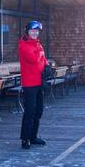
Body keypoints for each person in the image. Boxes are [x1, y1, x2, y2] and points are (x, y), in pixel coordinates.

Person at [18, 20, 50, 149]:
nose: (35, 33)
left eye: (37, 31)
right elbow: (34, 59)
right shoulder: (24, 45)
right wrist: (41, 53)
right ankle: (25, 139)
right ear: (27, 31)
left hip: (39, 82)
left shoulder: (37, 44)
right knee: (30, 112)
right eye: (32, 30)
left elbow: (43, 59)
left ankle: (33, 136)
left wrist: (47, 65)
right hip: (29, 84)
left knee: (38, 111)